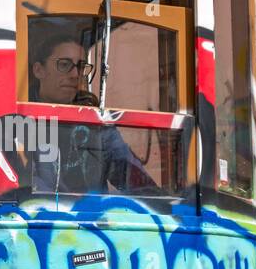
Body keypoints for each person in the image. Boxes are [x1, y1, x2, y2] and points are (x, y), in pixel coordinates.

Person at [29, 33, 160, 194]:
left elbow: (130, 174)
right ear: (38, 70)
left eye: (80, 67)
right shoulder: (19, 118)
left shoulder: (94, 120)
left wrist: (168, 210)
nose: (75, 75)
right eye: (64, 65)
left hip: (92, 216)